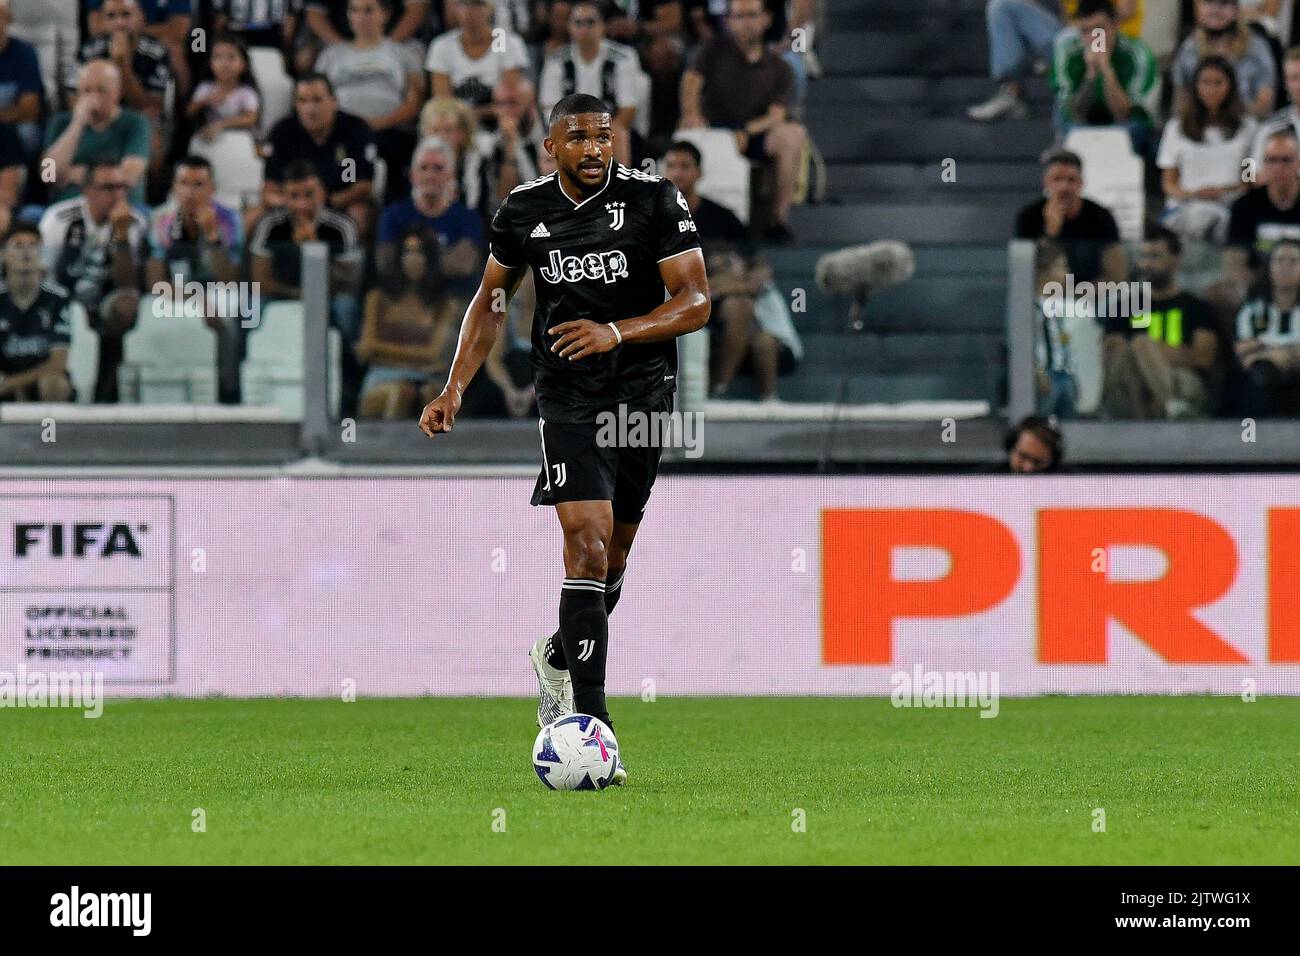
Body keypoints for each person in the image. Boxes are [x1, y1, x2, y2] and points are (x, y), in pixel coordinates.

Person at [417, 93, 711, 783]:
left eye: (603, 136)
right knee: (583, 539)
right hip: (569, 398)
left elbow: (696, 301)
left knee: (613, 556)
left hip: (642, 395)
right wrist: (455, 385)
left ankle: (558, 654)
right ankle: (593, 721)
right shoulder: (524, 211)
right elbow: (490, 304)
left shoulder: (654, 200)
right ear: (550, 146)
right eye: (577, 136)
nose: (592, 148)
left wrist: (618, 330)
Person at [661, 139, 801, 401]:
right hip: (665, 299)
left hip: (714, 302)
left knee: (741, 306)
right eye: (671, 165)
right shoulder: (650, 216)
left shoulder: (723, 219)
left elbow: (759, 269)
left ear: (699, 173)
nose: (677, 172)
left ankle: (717, 390)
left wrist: (723, 287)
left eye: (685, 166)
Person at [680, 0, 807, 243]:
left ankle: (777, 222)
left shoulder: (780, 67)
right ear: (728, 21)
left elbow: (776, 115)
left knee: (792, 134)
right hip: (710, 131)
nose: (745, 23)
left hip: (753, 133)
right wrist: (692, 114)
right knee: (689, 130)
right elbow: (691, 85)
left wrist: (743, 131)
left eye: (751, 15)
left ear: (766, 18)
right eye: (738, 16)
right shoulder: (711, 50)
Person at [38, 160, 148, 402]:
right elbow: (44, 274)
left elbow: (128, 284)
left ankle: (108, 391)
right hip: (62, 298)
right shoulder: (59, 218)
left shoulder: (135, 222)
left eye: (122, 187)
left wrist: (121, 236)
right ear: (88, 190)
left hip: (105, 300)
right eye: (109, 188)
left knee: (127, 306)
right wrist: (72, 306)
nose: (118, 195)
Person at [145, 156, 244, 404]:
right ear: (174, 188)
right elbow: (155, 281)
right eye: (184, 183)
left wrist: (212, 236)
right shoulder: (161, 220)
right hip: (176, 292)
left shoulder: (230, 219)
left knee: (230, 310)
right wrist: (194, 298)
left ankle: (228, 388)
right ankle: (160, 392)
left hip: (220, 291)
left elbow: (229, 278)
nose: (190, 192)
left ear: (212, 188)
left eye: (198, 184)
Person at [315, 0, 425, 203]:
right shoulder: (331, 55)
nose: (361, 17)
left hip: (388, 130)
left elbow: (414, 103)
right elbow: (317, 97)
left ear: (385, 14)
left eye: (368, 11)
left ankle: (395, 206)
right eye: (354, 10)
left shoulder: (404, 54)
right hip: (342, 132)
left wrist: (376, 124)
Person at [1102, 226, 1219, 419]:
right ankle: (1170, 406)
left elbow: (1202, 358)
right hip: (1133, 381)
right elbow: (1112, 353)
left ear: (1175, 259)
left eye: (1155, 256)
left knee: (1140, 344)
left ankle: (1161, 409)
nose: (1147, 264)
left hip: (1180, 378)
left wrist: (1148, 350)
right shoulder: (1125, 305)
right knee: (1131, 362)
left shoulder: (1197, 307)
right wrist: (1169, 352)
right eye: (1143, 256)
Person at [260, 73, 377, 236]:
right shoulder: (282, 132)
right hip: (292, 206)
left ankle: (351, 259)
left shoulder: (355, 130)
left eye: (317, 100)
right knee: (253, 216)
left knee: (359, 212)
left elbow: (362, 186)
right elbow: (269, 190)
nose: (310, 109)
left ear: (334, 101)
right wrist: (296, 204)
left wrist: (322, 203)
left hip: (338, 202)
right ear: (295, 104)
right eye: (303, 101)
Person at [1158, 55, 1256, 242]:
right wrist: (1193, 194)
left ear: (1230, 86)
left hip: (1228, 207)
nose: (1211, 90)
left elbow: (1248, 181)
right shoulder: (1176, 128)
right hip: (1185, 207)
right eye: (1205, 82)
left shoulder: (1248, 129)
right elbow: (1169, 182)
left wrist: (1221, 193)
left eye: (1218, 83)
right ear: (1195, 86)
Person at [376, 135, 484, 299]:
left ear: (452, 175)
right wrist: (441, 259)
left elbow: (464, 264)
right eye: (424, 167)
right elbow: (385, 263)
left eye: (438, 168)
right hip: (402, 301)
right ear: (412, 175)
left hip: (455, 302)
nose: (430, 175)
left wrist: (412, 260)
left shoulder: (469, 218)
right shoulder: (393, 215)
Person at [1049, 0, 1159, 156]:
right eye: (1085, 31)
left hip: (1126, 126)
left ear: (1116, 25)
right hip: (1084, 123)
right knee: (1072, 131)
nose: (1094, 38)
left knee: (1128, 132)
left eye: (1099, 30)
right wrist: (1091, 75)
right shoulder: (1068, 52)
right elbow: (1074, 113)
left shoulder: (1138, 54)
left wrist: (1107, 70)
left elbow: (1124, 115)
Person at [539, 1, 642, 165]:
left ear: (603, 26)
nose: (585, 28)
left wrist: (599, 134)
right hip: (569, 130)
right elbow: (549, 107)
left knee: (620, 134)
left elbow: (628, 109)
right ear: (570, 27)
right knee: (549, 143)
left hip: (610, 130)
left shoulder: (624, 57)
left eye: (591, 22)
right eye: (578, 23)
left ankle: (620, 188)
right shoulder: (556, 60)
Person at [43, 60, 151, 206]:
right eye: (86, 91)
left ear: (118, 93)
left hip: (120, 205)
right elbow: (48, 175)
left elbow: (130, 175)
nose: (93, 98)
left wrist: (80, 175)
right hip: (70, 206)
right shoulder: (61, 123)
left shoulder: (135, 123)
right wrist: (77, 124)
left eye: (101, 91)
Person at [1014, 149, 1124, 283]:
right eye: (1057, 179)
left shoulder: (1101, 217)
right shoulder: (1028, 217)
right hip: (1047, 295)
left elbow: (1116, 270)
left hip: (1094, 294)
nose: (1064, 187)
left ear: (1081, 183)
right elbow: (1026, 270)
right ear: (1046, 183)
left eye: (1071, 180)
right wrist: (1050, 233)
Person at [0, 222, 73, 403]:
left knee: (55, 384)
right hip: (4, 375)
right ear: (4, 255)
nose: (26, 252)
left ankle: (52, 431)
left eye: (33, 245)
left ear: (42, 254)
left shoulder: (58, 299)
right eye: (18, 246)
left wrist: (12, 383)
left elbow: (58, 363)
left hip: (41, 377)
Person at [1173, 0, 1277, 122]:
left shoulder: (1256, 48)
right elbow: (1180, 103)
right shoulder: (1189, 49)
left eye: (1223, 3)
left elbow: (1265, 106)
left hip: (1246, 127)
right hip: (1199, 128)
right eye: (1208, 3)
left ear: (1236, 9)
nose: (1215, 10)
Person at [426, 0, 530, 121]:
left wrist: (468, 113)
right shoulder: (441, 46)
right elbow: (442, 104)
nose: (469, 11)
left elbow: (510, 103)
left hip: (498, 124)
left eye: (477, 4)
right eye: (463, 3)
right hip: (455, 126)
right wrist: (486, 111)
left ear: (491, 8)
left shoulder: (509, 43)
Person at [1226, 126, 1300, 284]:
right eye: (1271, 160)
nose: (1278, 168)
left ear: (1298, 162)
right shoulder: (1244, 206)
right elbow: (1234, 264)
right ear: (1263, 163)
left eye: (1286, 160)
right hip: (1258, 286)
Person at [1236, 236, 1300, 415]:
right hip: (1264, 373)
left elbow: (1254, 346)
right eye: (1279, 261)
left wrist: (1266, 346)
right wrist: (1282, 353)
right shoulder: (1252, 310)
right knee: (1260, 373)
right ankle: (1255, 437)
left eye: (1293, 261)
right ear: (1269, 267)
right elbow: (1244, 350)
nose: (1285, 268)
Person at [186, 34, 260, 145]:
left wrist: (220, 125)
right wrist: (205, 101)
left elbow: (251, 118)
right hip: (209, 141)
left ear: (244, 64)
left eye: (231, 57)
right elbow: (189, 112)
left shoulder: (246, 92)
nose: (224, 64)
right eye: (218, 57)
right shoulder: (206, 88)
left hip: (240, 143)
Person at [0, 0, 46, 158]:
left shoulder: (25, 53)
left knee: (28, 133)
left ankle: (25, 178)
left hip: (16, 126)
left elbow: (30, 110)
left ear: (9, 19)